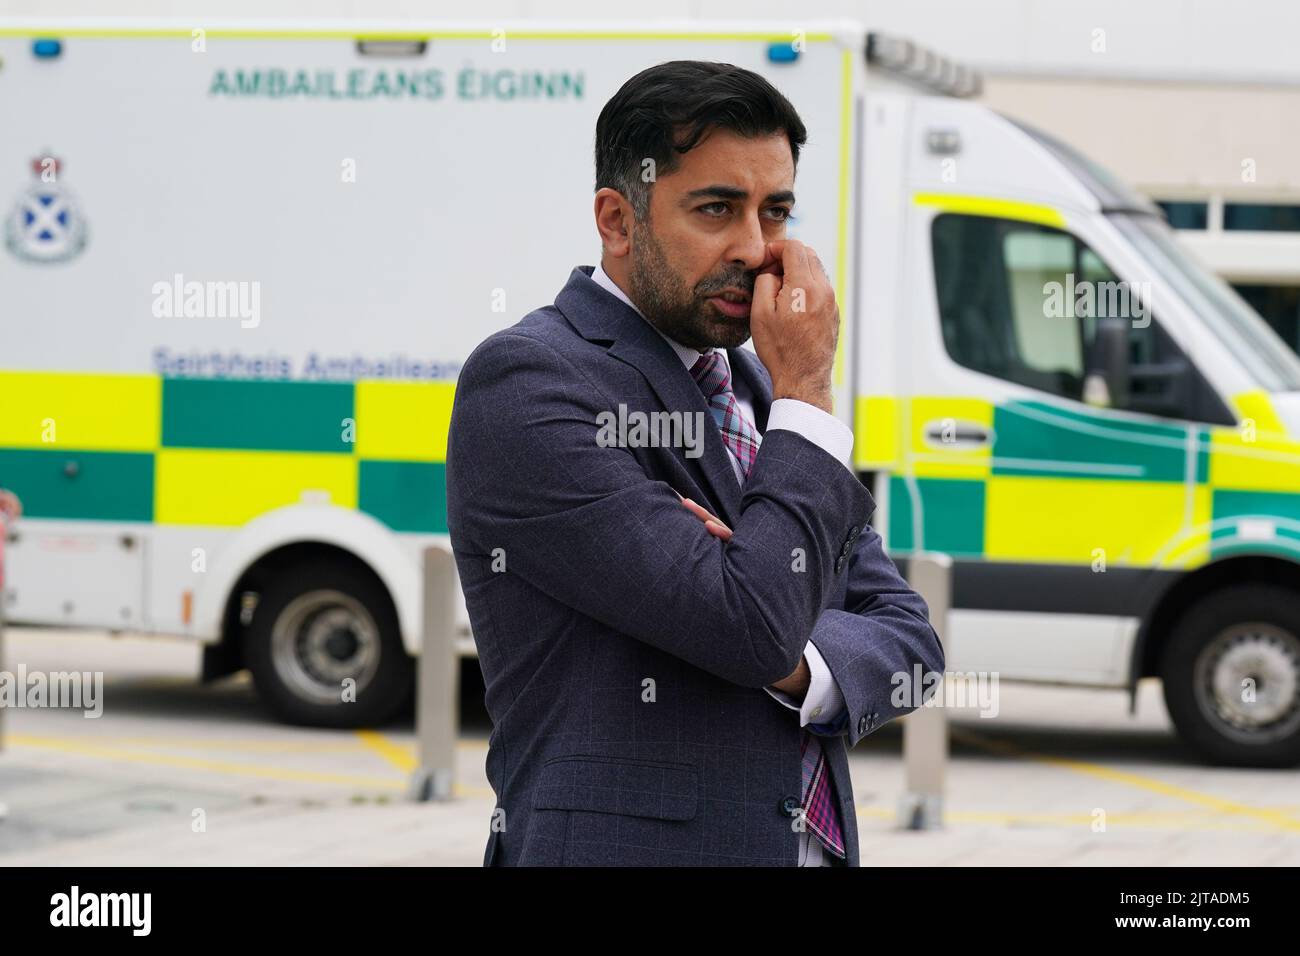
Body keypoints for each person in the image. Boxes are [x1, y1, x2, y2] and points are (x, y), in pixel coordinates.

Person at [446, 60, 944, 866]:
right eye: (716, 209)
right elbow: (751, 626)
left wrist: (795, 660)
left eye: (775, 211)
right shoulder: (531, 382)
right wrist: (809, 393)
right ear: (618, 220)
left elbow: (910, 640)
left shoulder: (760, 387)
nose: (755, 248)